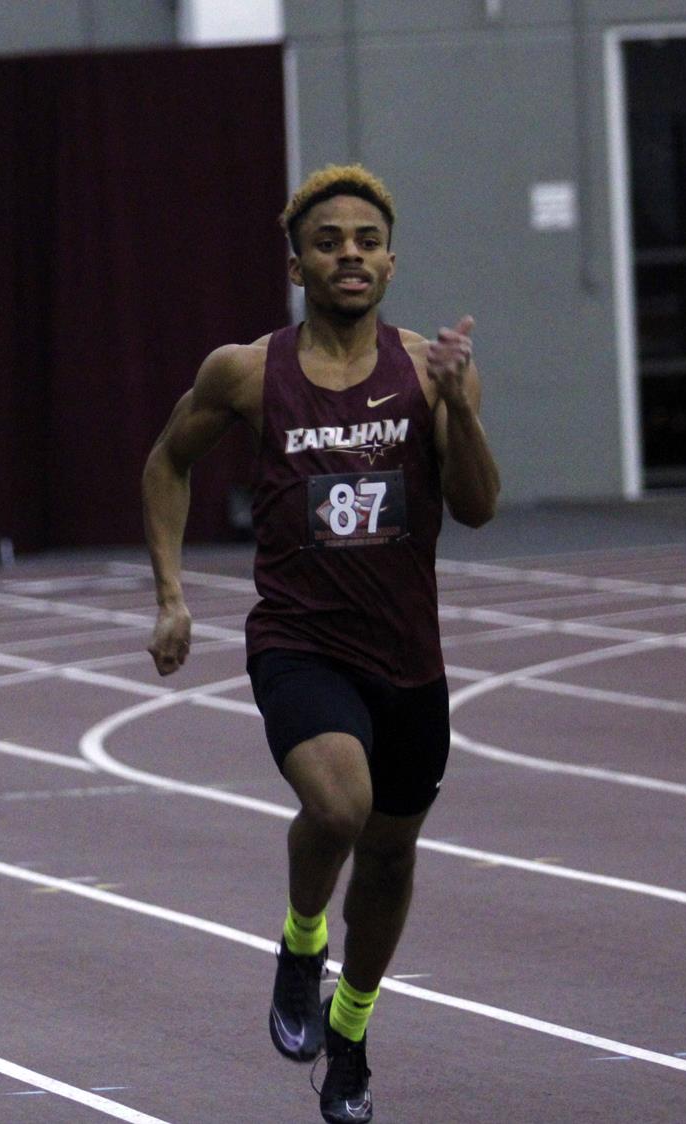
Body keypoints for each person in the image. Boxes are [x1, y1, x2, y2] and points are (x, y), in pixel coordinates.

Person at [141, 165, 500, 1123]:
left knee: (389, 858)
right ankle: (303, 943)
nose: (351, 254)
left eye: (368, 240)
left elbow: (476, 508)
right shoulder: (248, 372)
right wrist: (172, 596)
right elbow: (167, 460)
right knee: (339, 809)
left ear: (391, 259)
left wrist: (459, 406)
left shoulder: (428, 370)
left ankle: (351, 1031)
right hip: (299, 644)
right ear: (296, 260)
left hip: (409, 664)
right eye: (330, 240)